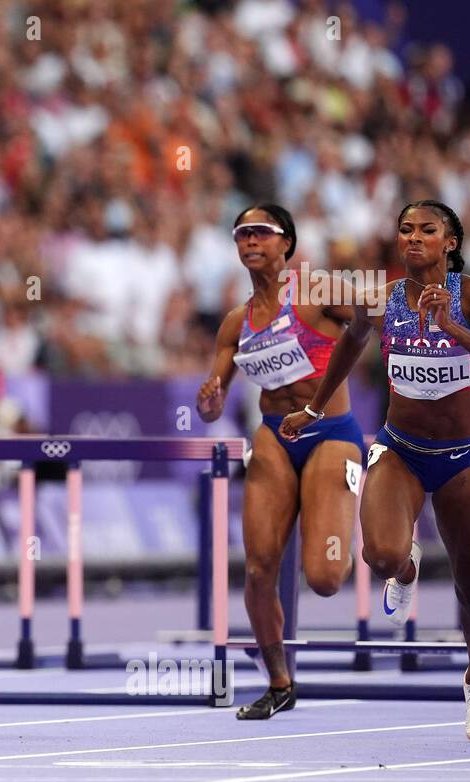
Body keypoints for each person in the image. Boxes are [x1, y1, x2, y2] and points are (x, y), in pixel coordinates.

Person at [282, 200, 470, 742]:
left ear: (450, 242)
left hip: (463, 459)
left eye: (427, 230)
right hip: (399, 451)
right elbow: (349, 344)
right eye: (405, 229)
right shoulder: (385, 298)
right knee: (381, 555)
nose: (413, 237)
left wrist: (451, 328)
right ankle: (407, 568)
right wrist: (316, 409)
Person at [197, 204, 364, 720]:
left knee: (325, 577)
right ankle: (279, 682)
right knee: (258, 568)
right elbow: (212, 403)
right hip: (273, 436)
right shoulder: (235, 324)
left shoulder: (318, 292)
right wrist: (209, 402)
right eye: (241, 234)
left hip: (330, 433)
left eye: (261, 233)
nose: (250, 241)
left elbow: (371, 321)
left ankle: (397, 557)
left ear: (285, 243)